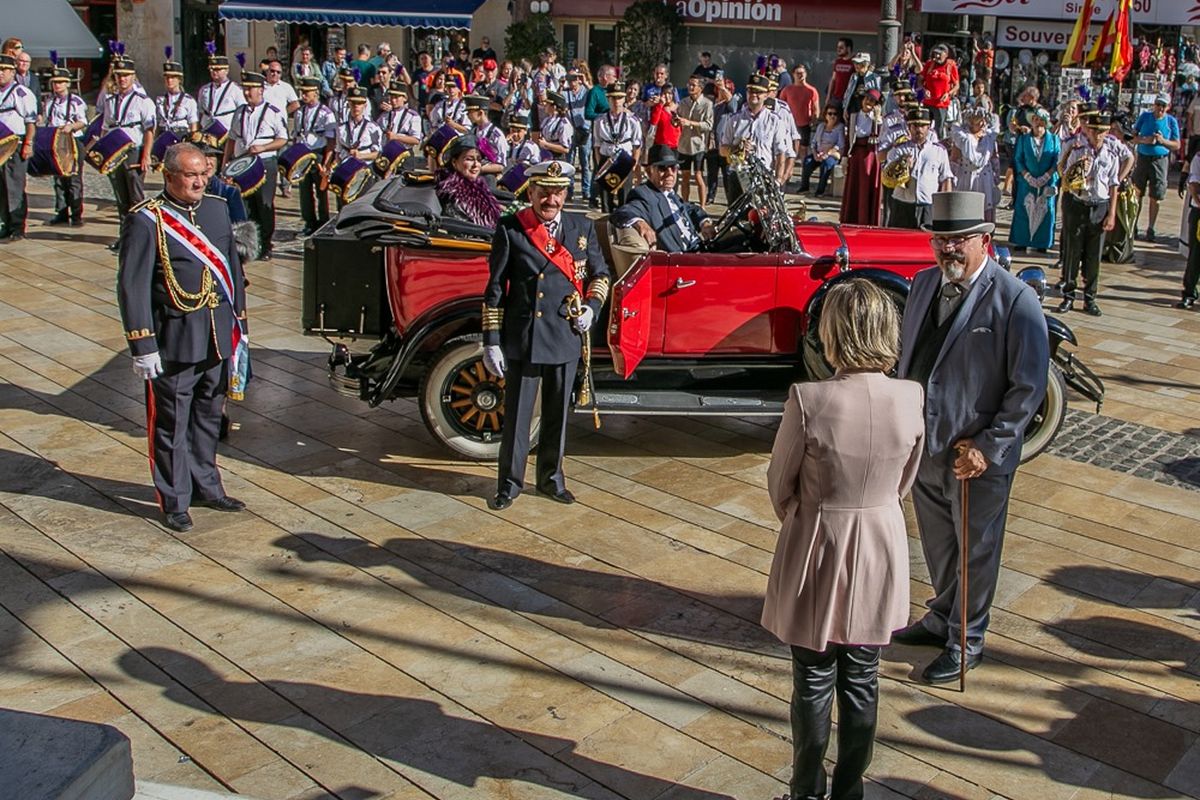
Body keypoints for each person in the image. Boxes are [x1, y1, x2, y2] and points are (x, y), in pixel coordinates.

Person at [763, 278, 924, 800]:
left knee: (812, 678)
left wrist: (806, 515)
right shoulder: (910, 396)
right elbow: (906, 480)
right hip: (880, 538)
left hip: (819, 539)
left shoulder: (810, 399)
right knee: (863, 675)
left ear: (833, 334)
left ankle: (806, 790)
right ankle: (849, 790)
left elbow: (779, 481)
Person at [892, 190, 1048, 685]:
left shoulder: (1015, 299)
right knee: (939, 544)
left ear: (985, 239)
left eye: (959, 240)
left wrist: (990, 445)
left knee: (975, 549)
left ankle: (968, 637)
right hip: (926, 446)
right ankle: (941, 615)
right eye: (941, 239)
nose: (949, 250)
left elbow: (1029, 386)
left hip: (974, 456)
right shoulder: (921, 286)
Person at [117, 142, 249, 533]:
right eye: (190, 175)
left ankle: (206, 485)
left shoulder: (217, 208)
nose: (198, 181)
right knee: (172, 422)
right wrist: (142, 345)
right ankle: (174, 499)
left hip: (215, 333)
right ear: (169, 176)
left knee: (209, 416)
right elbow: (132, 286)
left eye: (203, 174)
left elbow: (232, 269)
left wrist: (239, 324)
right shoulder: (146, 220)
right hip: (174, 337)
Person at [481, 160, 610, 510]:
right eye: (543, 193)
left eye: (557, 193)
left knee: (557, 417)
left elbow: (600, 275)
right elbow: (494, 290)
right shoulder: (511, 229)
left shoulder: (581, 226)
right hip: (525, 337)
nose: (550, 200)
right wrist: (491, 341)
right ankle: (509, 484)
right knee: (518, 419)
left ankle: (551, 479)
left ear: (565, 194)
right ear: (531, 193)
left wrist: (591, 309)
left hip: (565, 336)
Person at [1056, 113, 1121, 316]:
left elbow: (1113, 186)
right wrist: (1077, 168)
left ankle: (1090, 298)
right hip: (1078, 203)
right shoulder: (1077, 149)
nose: (1098, 135)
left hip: (1099, 205)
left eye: (1103, 132)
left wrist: (1111, 214)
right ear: (1089, 130)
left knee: (1094, 256)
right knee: (1072, 252)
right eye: (1095, 131)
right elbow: (1064, 176)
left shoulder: (1111, 154)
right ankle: (1068, 295)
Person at [224, 69, 288, 260]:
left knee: (264, 204)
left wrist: (264, 146)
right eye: (245, 88)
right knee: (245, 204)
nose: (246, 92)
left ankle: (266, 244)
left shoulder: (272, 112)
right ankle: (247, 244)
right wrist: (226, 162)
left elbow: (282, 138)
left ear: (260, 90)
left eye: (251, 88)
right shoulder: (240, 112)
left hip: (264, 162)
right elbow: (232, 138)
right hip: (242, 163)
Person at [611, 144, 714, 253]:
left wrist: (704, 223)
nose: (669, 173)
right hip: (685, 258)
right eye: (662, 168)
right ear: (649, 171)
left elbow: (689, 208)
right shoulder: (644, 194)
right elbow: (621, 213)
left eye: (673, 168)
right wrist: (640, 223)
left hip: (701, 248)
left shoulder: (669, 194)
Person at [100, 51, 156, 246]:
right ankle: (125, 236)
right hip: (115, 151)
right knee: (121, 196)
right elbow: (106, 128)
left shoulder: (143, 101)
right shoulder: (110, 101)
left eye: (126, 75)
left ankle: (141, 236)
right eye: (119, 75)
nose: (122, 79)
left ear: (133, 76)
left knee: (136, 196)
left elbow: (149, 130)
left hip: (133, 150)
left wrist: (146, 155)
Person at [719, 74, 793, 188]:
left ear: (766, 95)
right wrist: (737, 148)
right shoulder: (734, 120)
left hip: (764, 177)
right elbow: (722, 150)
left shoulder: (775, 121)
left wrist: (778, 180)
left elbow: (780, 153)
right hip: (739, 176)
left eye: (758, 92)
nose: (754, 95)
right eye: (751, 91)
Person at [885, 107, 953, 229]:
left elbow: (946, 178)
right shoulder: (899, 149)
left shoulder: (938, 151)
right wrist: (903, 167)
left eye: (923, 126)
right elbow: (887, 177)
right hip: (903, 204)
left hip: (927, 205)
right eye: (915, 126)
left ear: (929, 127)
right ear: (909, 127)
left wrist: (945, 208)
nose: (919, 129)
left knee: (927, 243)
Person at [39, 61, 87, 227]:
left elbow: (83, 122)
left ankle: (76, 213)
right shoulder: (49, 101)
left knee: (73, 178)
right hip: (55, 142)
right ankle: (61, 211)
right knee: (58, 178)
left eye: (60, 82)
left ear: (67, 83)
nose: (56, 85)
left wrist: (71, 127)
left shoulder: (76, 101)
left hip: (72, 141)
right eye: (54, 82)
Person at [1131, 93, 1181, 241]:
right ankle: (1133, 224)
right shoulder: (1145, 117)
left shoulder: (1171, 121)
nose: (1160, 108)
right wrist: (1144, 140)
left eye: (1163, 106)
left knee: (1156, 195)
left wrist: (1163, 141)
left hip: (1160, 160)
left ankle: (1151, 227)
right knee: (1137, 193)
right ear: (1154, 104)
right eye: (1158, 104)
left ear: (1168, 107)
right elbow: (1132, 137)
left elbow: (1177, 145)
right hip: (1143, 158)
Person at [1009, 107, 1059, 253]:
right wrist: (1027, 176)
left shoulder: (1054, 140)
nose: (1037, 123)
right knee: (1024, 210)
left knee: (1045, 211)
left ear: (1046, 123)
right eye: (1035, 120)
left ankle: (1042, 243)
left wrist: (1046, 176)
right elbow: (1018, 159)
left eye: (1041, 120)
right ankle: (1021, 241)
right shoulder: (1024, 139)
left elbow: (1057, 161)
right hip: (1026, 181)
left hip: (1047, 181)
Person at [291, 76, 336, 236]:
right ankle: (309, 221)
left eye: (307, 92)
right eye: (302, 92)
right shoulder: (300, 112)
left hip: (318, 153)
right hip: (303, 154)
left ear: (316, 93)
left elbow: (331, 140)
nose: (303, 95)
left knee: (321, 190)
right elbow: (297, 135)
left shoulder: (326, 113)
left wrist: (327, 161)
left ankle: (323, 221)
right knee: (304, 190)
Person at [326, 84, 382, 209]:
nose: (356, 107)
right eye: (353, 103)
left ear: (364, 105)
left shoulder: (372, 127)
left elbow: (377, 153)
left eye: (359, 103)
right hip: (346, 168)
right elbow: (338, 151)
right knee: (343, 205)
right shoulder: (341, 128)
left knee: (363, 205)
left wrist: (361, 155)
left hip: (364, 169)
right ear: (348, 105)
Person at [0, 53, 35, 242]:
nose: (0, 74)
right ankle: (5, 222)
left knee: (14, 185)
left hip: (15, 143)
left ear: (13, 71)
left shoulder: (21, 93)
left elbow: (30, 122)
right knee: (1, 187)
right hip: (0, 144)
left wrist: (28, 143)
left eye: (4, 70)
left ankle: (17, 226)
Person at [592, 81, 643, 211]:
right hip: (606, 159)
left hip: (624, 160)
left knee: (624, 198)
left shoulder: (632, 120)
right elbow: (597, 145)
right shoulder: (600, 121)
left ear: (624, 98)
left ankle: (623, 227)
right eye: (613, 98)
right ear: (608, 99)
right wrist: (600, 165)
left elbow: (637, 145)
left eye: (619, 98)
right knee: (606, 200)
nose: (616, 102)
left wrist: (633, 164)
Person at [436, 134, 502, 228]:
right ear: (454, 162)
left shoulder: (479, 187)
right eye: (469, 159)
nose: (476, 164)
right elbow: (462, 230)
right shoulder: (453, 193)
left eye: (479, 160)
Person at [948, 106, 999, 222]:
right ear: (970, 122)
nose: (982, 124)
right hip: (966, 178)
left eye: (984, 121)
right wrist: (952, 180)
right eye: (978, 120)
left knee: (985, 205)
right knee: (966, 206)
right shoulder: (963, 138)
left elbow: (994, 157)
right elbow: (954, 159)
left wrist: (996, 176)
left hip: (985, 178)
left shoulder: (989, 137)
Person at [196, 46, 244, 163]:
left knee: (225, 161)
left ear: (226, 70)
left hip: (226, 133)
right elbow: (201, 112)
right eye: (212, 69)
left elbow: (241, 112)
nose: (214, 72)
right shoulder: (205, 89)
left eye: (218, 69)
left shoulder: (235, 89)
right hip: (208, 133)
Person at [841, 89, 882, 223]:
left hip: (869, 156)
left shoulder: (877, 120)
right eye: (866, 99)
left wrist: (876, 119)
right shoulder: (854, 117)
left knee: (866, 186)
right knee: (854, 187)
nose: (868, 103)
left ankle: (866, 219)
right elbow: (848, 138)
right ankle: (851, 218)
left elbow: (878, 138)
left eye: (872, 100)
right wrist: (845, 157)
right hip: (856, 154)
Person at [676, 76, 713, 207]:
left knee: (698, 176)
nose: (690, 87)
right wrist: (676, 121)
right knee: (685, 176)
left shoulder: (707, 104)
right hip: (684, 144)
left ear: (700, 88)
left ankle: (702, 206)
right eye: (689, 84)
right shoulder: (683, 102)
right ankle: (685, 204)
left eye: (693, 85)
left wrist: (691, 123)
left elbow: (709, 125)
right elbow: (678, 117)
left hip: (698, 145)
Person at [156, 53, 199, 151]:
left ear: (179, 79)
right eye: (167, 78)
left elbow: (193, 125)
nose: (169, 80)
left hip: (180, 136)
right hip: (163, 135)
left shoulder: (188, 100)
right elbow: (158, 123)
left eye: (173, 78)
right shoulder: (160, 99)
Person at [799, 106, 844, 197]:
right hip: (819, 153)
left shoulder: (840, 127)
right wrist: (815, 154)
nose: (832, 116)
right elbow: (813, 143)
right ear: (825, 115)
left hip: (832, 154)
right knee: (807, 161)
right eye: (830, 113)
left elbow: (840, 144)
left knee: (826, 165)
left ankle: (820, 190)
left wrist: (828, 153)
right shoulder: (821, 126)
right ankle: (804, 187)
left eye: (835, 114)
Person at [779, 64, 820, 165]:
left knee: (803, 148)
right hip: (789, 125)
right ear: (793, 74)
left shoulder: (811, 90)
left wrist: (814, 121)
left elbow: (816, 108)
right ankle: (789, 169)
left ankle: (803, 169)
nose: (800, 75)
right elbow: (780, 107)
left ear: (806, 74)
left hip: (804, 124)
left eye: (802, 73)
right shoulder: (787, 90)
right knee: (791, 148)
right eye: (798, 73)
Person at [563, 71, 593, 203]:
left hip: (585, 130)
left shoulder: (585, 92)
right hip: (570, 130)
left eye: (574, 78)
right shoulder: (565, 92)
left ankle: (586, 191)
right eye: (569, 78)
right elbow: (557, 101)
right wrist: (561, 85)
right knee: (569, 162)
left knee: (585, 162)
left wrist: (585, 82)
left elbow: (595, 95)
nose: (572, 81)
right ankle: (569, 191)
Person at [920, 44, 959, 138]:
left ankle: (939, 147)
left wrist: (948, 94)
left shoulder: (950, 66)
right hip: (928, 102)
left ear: (946, 55)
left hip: (941, 104)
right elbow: (920, 79)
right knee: (925, 127)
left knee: (939, 129)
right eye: (935, 54)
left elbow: (957, 85)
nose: (937, 56)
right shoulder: (930, 64)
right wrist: (924, 89)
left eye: (939, 54)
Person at [466, 93, 508, 178]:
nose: (468, 115)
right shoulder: (473, 131)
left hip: (489, 176)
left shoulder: (496, 134)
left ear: (480, 113)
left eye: (470, 112)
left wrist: (478, 168)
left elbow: (501, 165)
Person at [1180, 144, 1200, 309]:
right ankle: (1189, 292)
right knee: (1196, 255)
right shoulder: (1199, 157)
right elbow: (1194, 185)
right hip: (1199, 211)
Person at [841, 53, 880, 123]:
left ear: (866, 64)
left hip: (867, 110)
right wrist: (845, 108)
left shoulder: (874, 77)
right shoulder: (853, 76)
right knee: (852, 130)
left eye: (858, 63)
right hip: (853, 108)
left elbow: (878, 96)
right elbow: (848, 93)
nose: (856, 65)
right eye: (855, 63)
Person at [536, 91, 574, 163]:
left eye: (548, 104)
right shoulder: (547, 120)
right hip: (545, 157)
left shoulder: (563, 124)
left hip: (557, 159)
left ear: (554, 107)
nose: (545, 105)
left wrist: (546, 144)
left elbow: (565, 149)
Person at [826, 38, 855, 113]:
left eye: (841, 47)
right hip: (836, 97)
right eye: (838, 47)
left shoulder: (854, 62)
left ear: (848, 48)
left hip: (849, 98)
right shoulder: (838, 61)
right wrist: (828, 96)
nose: (838, 50)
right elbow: (833, 79)